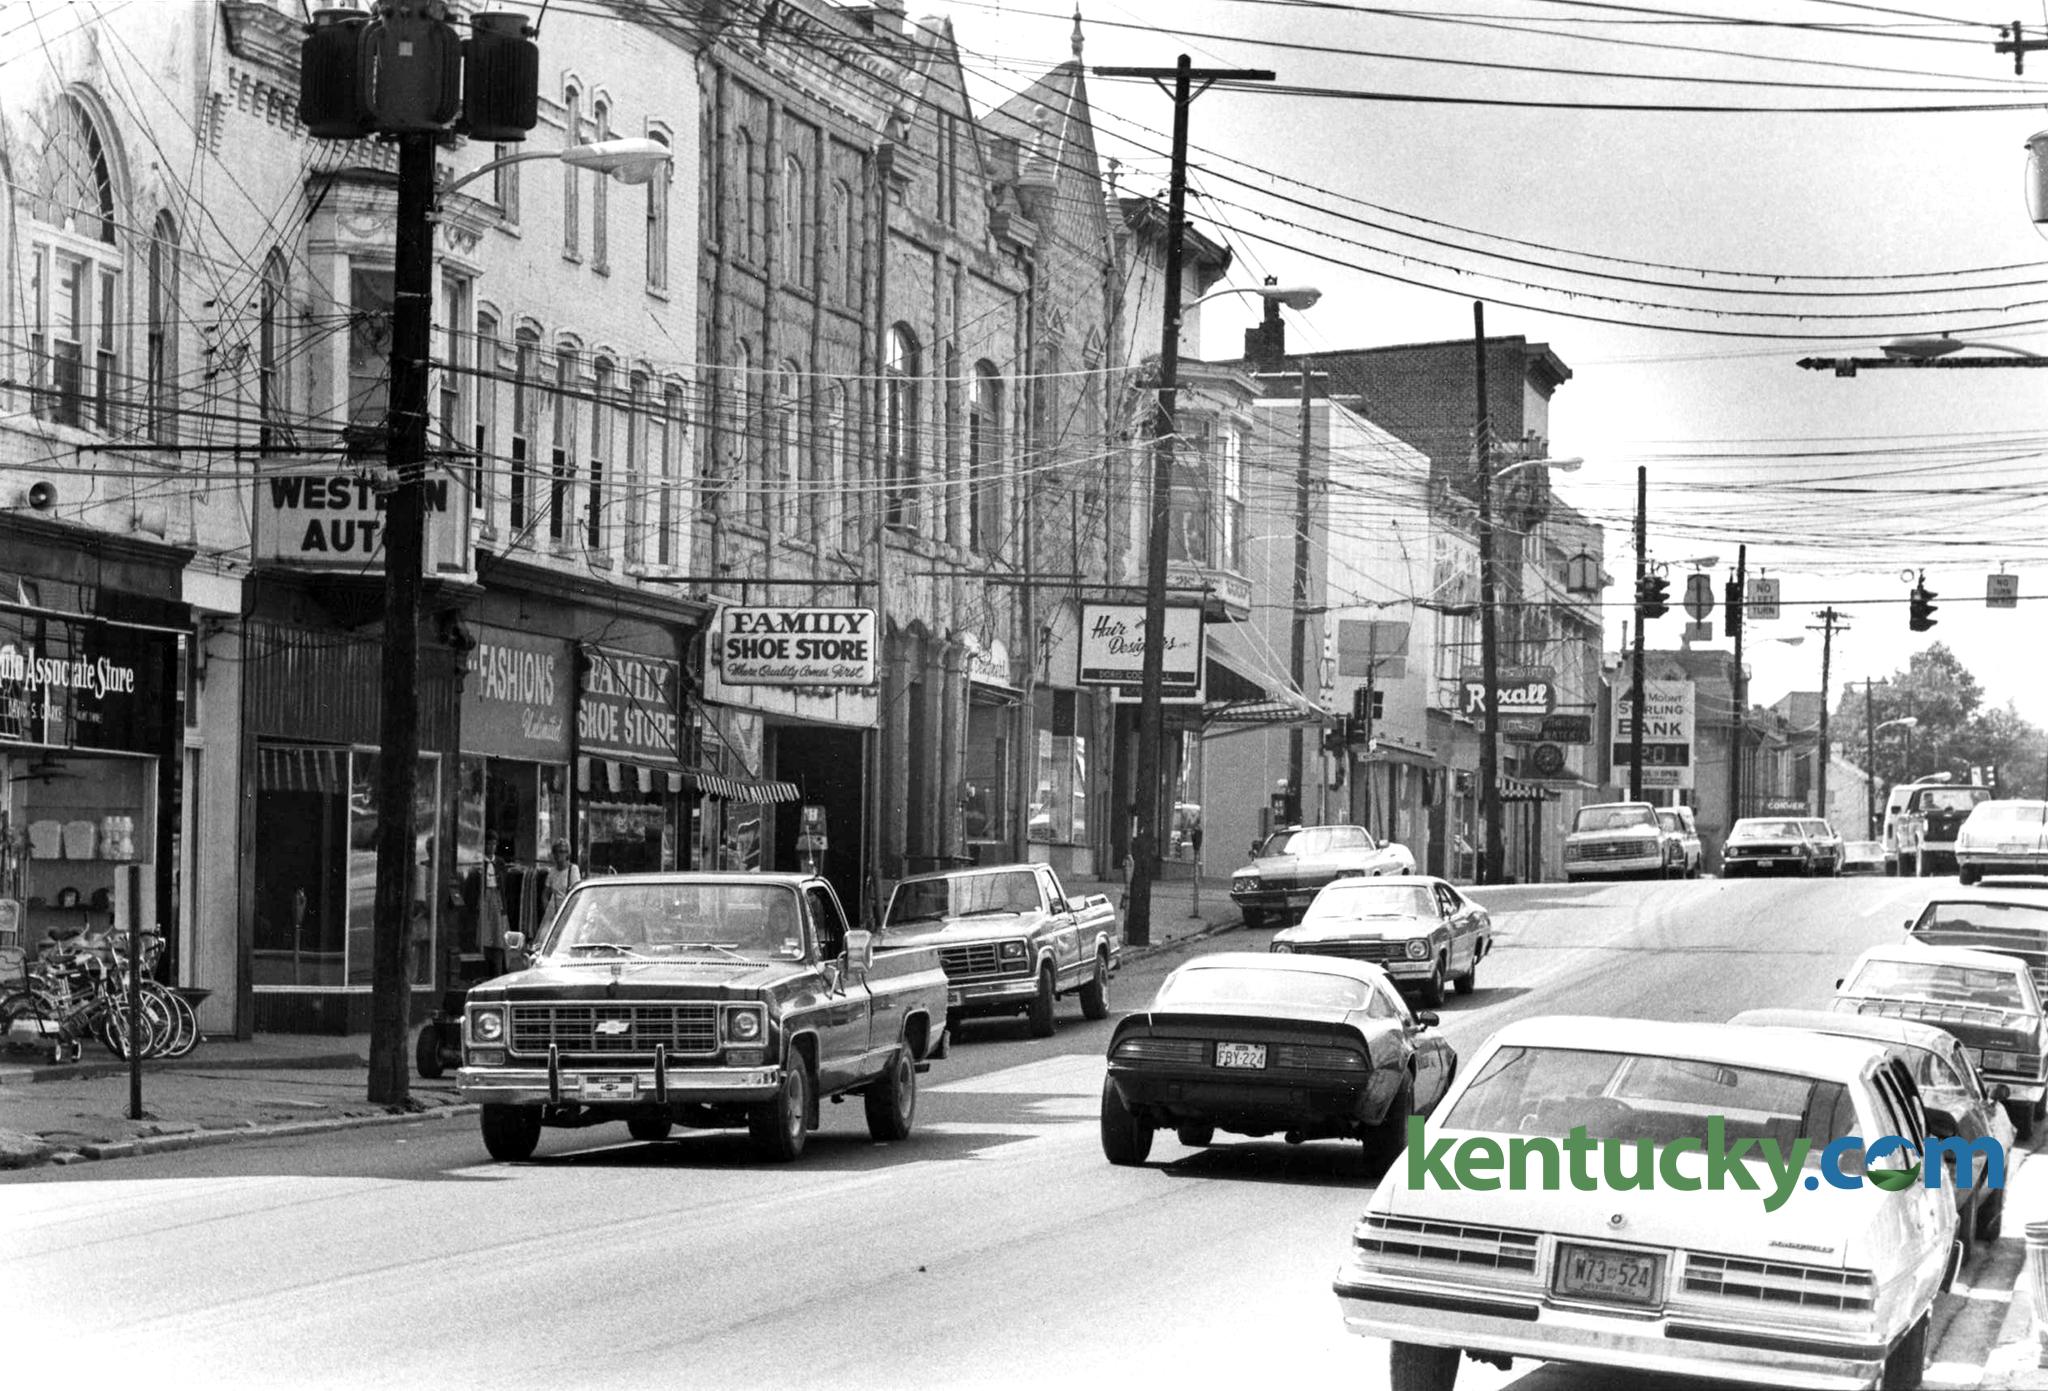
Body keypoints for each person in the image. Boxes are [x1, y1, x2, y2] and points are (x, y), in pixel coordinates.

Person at [540, 838, 582, 926]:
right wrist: (548, 912)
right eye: (556, 851)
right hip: (555, 914)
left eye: (562, 851)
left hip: (568, 913)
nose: (558, 854)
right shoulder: (552, 872)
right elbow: (545, 894)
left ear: (567, 854)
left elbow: (576, 894)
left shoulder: (573, 869)